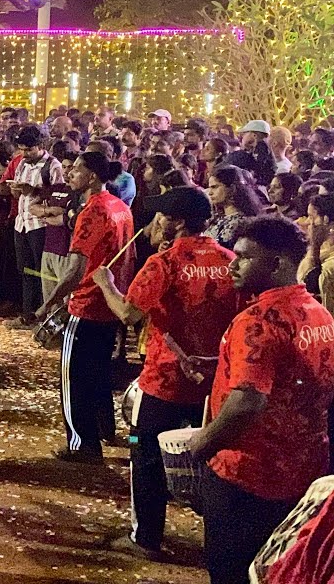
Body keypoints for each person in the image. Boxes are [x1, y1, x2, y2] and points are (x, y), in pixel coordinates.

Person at [91, 186, 238, 558]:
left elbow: (129, 313)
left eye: (161, 216)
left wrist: (106, 285)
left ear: (176, 222)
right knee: (209, 462)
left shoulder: (165, 263)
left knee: (146, 454)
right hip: (215, 382)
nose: (155, 221)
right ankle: (214, 545)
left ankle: (146, 538)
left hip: (165, 381)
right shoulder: (231, 259)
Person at [188, 216, 334, 584]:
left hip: (248, 475)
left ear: (278, 263)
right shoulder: (319, 313)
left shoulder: (258, 320)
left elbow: (248, 401)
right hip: (304, 467)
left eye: (244, 258)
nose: (232, 265)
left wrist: (203, 443)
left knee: (231, 571)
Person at [37, 151, 135, 463]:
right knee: (99, 369)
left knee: (74, 377)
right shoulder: (119, 206)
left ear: (92, 176)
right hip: (111, 301)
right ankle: (104, 428)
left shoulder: (92, 212)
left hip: (88, 303)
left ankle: (82, 443)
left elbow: (77, 270)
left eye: (77, 169)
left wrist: (48, 303)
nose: (70, 174)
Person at [9, 125, 65, 327]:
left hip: (40, 225)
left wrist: (34, 191)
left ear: (40, 146)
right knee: (25, 270)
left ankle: (45, 317)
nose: (25, 154)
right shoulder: (22, 164)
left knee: (43, 273)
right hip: (22, 223)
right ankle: (27, 314)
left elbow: (59, 196)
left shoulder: (53, 166)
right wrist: (16, 190)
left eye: (29, 150)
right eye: (22, 149)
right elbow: (18, 194)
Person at [205, 165, 264, 249]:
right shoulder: (216, 219)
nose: (210, 192)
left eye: (215, 187)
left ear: (232, 189)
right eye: (209, 187)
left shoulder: (244, 222)